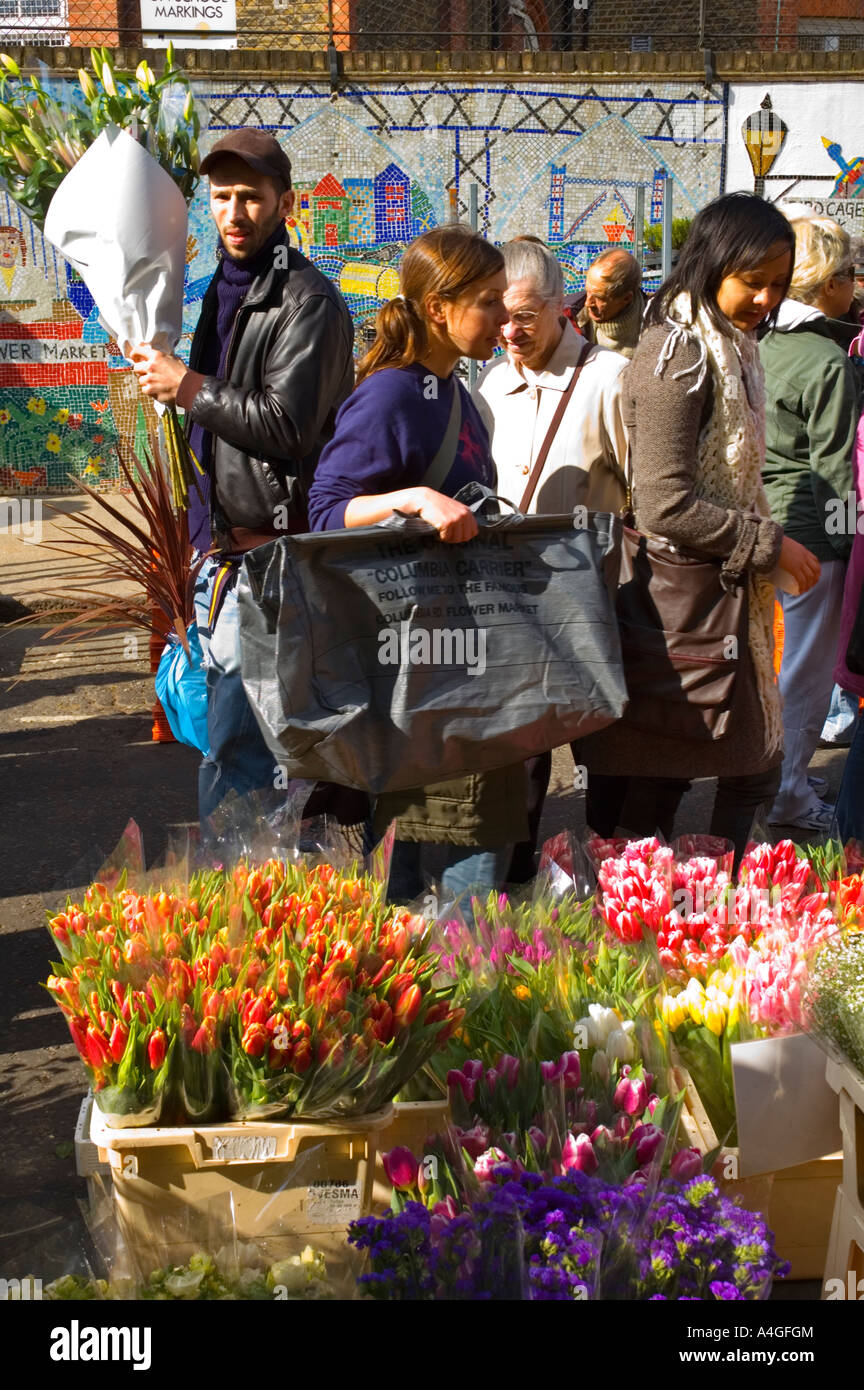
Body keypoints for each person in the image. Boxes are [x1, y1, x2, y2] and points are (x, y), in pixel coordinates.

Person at [581, 192, 821, 862]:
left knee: (727, 769)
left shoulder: (731, 347)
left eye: (778, 283)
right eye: (754, 281)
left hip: (715, 603)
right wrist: (769, 545)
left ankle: (692, 909)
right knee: (700, 775)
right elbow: (663, 502)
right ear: (713, 264)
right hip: (679, 607)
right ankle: (678, 912)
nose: (767, 298)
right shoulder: (678, 355)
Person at [132, 130, 357, 827]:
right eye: (222, 197)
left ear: (285, 203)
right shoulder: (223, 292)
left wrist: (189, 386)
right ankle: (250, 887)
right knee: (228, 735)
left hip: (272, 555)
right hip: (220, 552)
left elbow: (288, 424)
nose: (234, 213)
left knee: (244, 743)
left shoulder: (306, 300)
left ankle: (247, 895)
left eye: (251, 198)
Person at [308, 225, 528, 903]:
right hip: (413, 668)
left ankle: (460, 983)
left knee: (474, 834)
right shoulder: (390, 396)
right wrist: (411, 497)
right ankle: (437, 987)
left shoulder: (460, 394)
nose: (504, 318)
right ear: (438, 308)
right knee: (422, 855)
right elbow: (324, 511)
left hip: (467, 656)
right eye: (489, 301)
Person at [474, 236, 630, 879]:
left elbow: (644, 492)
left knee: (605, 745)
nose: (509, 331)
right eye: (499, 316)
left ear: (561, 307)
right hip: (512, 604)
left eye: (524, 317)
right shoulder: (489, 382)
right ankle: (512, 877)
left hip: (594, 604)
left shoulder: (608, 379)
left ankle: (612, 876)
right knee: (521, 752)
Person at [760, 217, 860, 832]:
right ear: (828, 283)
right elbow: (836, 472)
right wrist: (853, 541)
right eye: (848, 274)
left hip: (758, 526)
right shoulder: (825, 358)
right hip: (813, 537)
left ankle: (776, 777)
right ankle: (788, 794)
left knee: (771, 666)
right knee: (805, 672)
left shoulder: (757, 342)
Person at [569, 248, 646, 359]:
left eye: (598, 297)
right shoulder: (569, 316)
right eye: (588, 291)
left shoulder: (656, 323)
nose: (587, 303)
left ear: (626, 298)